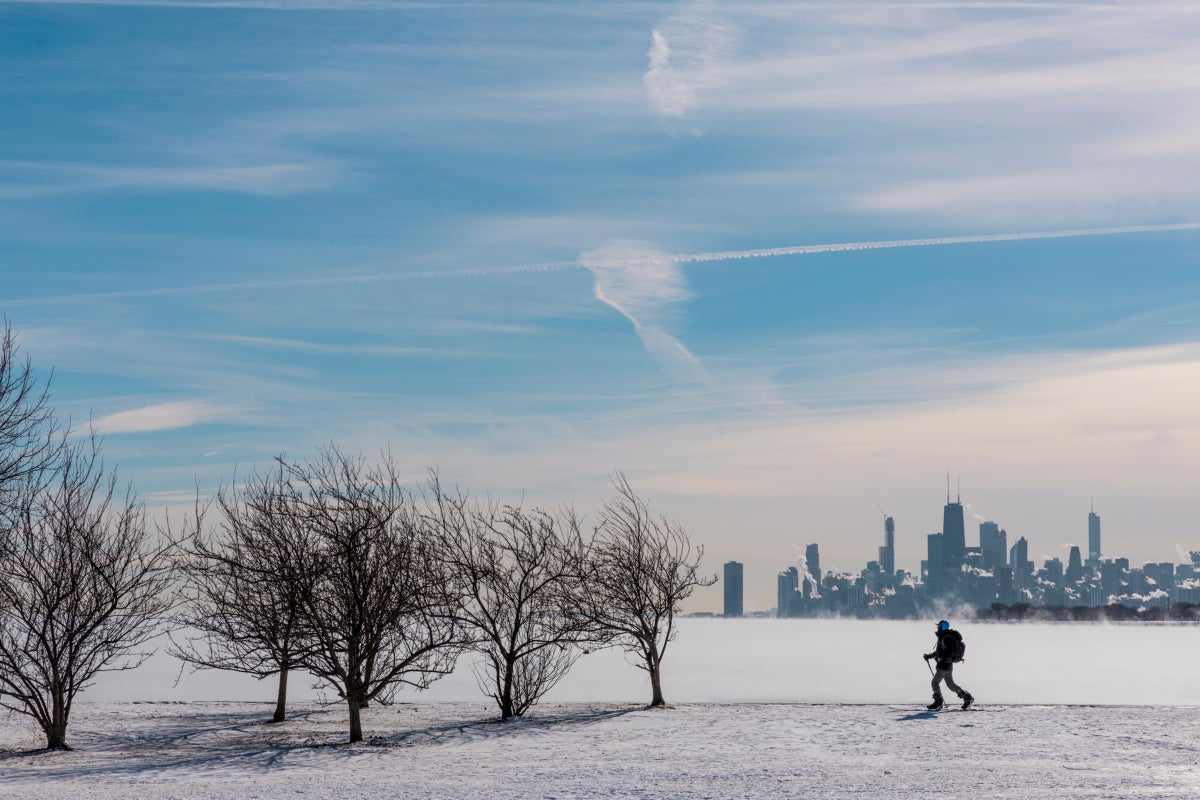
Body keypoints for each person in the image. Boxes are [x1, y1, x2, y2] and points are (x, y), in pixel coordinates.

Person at [923, 619, 974, 710]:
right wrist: (929, 656)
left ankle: (938, 702)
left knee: (935, 682)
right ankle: (967, 698)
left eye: (939, 626)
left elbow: (949, 652)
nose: (937, 627)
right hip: (947, 665)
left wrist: (943, 659)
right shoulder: (944, 637)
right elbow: (940, 652)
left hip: (944, 665)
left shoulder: (946, 638)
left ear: (942, 627)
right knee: (951, 685)